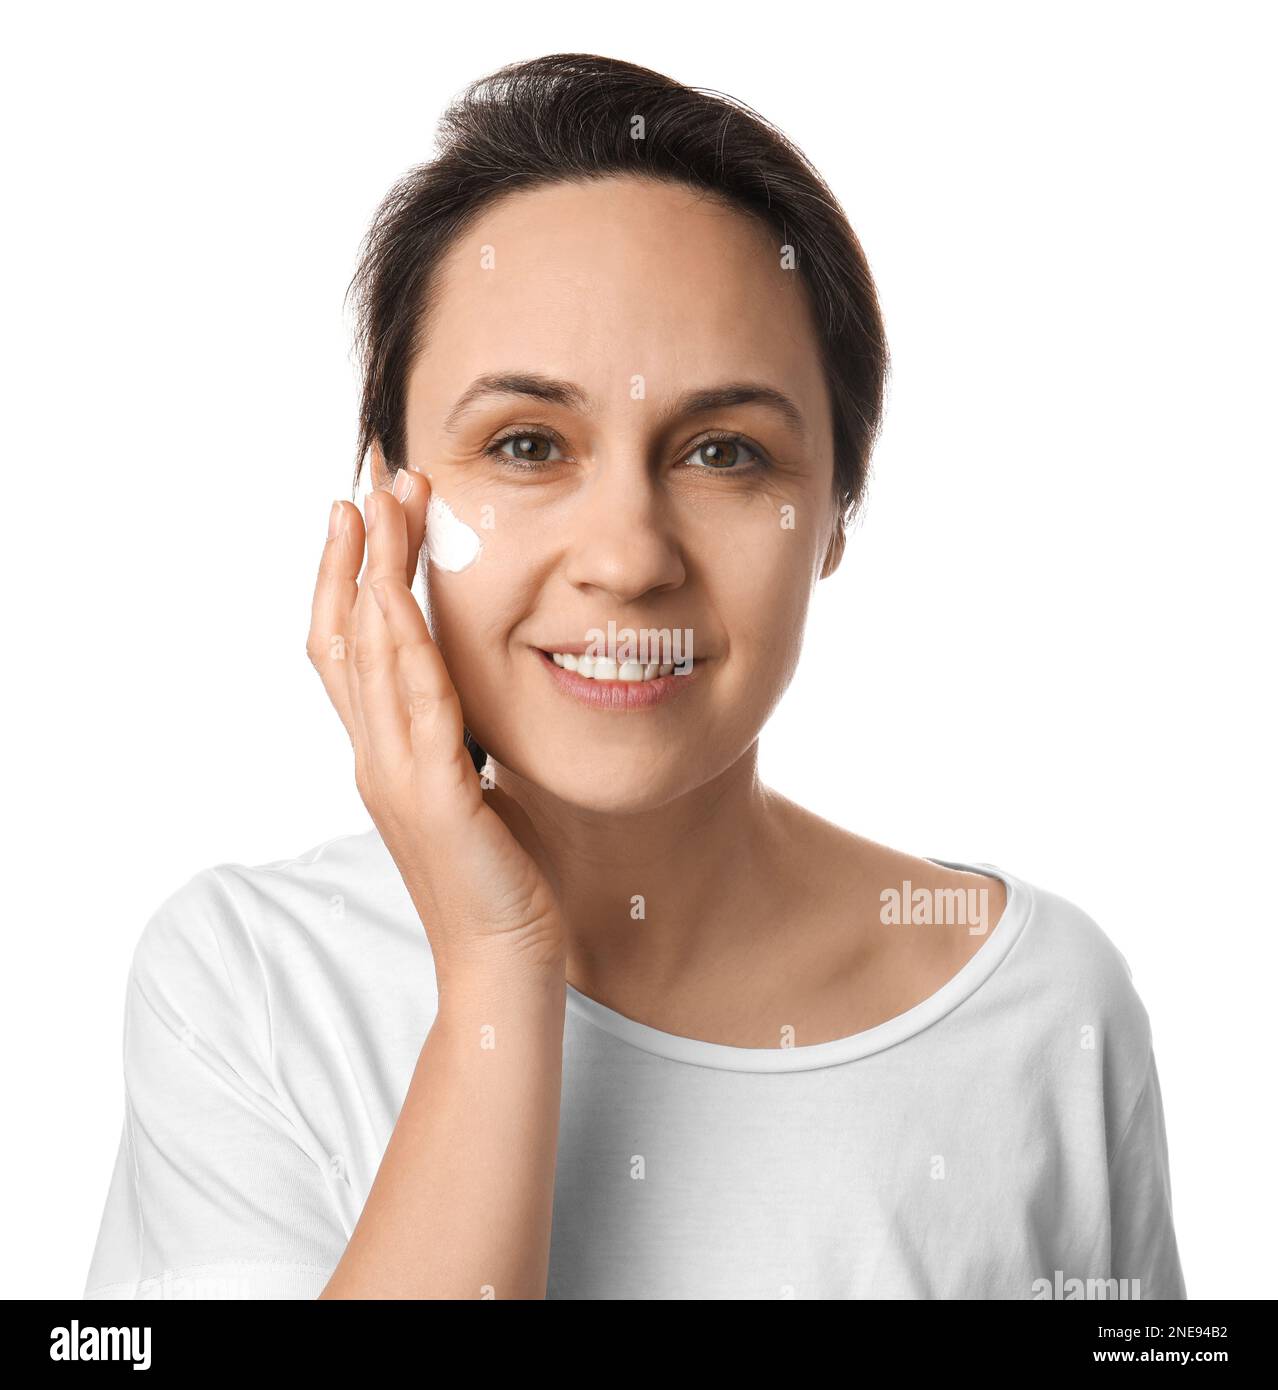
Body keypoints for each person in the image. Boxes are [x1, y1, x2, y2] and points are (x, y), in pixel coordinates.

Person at [84, 52, 1185, 1301]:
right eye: (528, 444)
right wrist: (498, 963)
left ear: (835, 513)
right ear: (393, 497)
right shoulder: (250, 985)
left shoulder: (1040, 1008)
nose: (625, 557)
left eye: (724, 452)